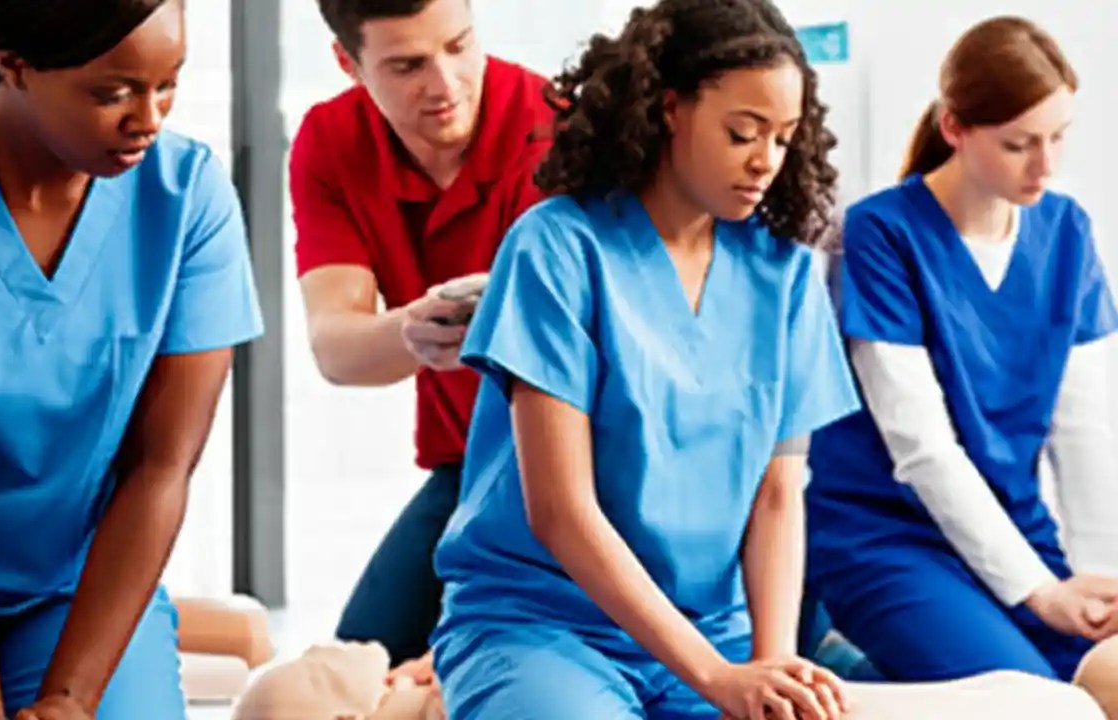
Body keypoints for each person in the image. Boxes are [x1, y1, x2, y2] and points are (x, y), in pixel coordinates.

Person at [428, 0, 863, 717]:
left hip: (714, 631)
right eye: (742, 132)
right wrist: (715, 680)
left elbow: (779, 497)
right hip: (544, 626)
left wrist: (770, 665)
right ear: (669, 109)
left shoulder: (783, 274)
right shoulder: (557, 248)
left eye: (784, 140)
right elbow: (560, 511)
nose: (765, 161)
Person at [0, 1, 263, 718]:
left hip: (74, 591)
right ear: (15, 66)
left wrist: (70, 697)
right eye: (113, 92)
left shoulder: (188, 195)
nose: (149, 119)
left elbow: (161, 469)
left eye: (169, 84)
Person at [806, 15, 1118, 684]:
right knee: (1037, 701)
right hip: (884, 540)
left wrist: (1099, 582)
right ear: (955, 128)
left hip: (1015, 533)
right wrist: (1039, 593)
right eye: (1018, 144)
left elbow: (1084, 432)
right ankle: (839, 672)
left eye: (1058, 138)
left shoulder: (1065, 232)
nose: (1046, 164)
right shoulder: (882, 233)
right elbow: (924, 450)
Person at [290, 0, 554, 674]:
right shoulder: (330, 141)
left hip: (585, 472)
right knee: (343, 679)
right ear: (348, 65)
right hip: (470, 471)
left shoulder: (555, 126)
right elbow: (336, 348)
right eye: (408, 66)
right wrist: (411, 331)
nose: (445, 84)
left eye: (460, 46)